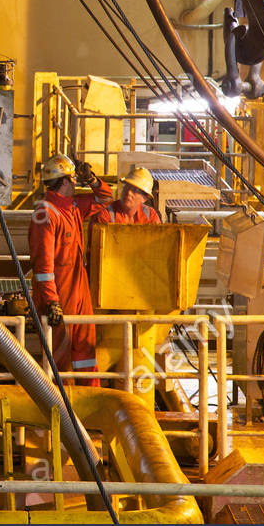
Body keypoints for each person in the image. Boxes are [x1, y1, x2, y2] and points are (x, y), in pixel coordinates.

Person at [27, 155, 111, 387]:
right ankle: (61, 415)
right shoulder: (46, 214)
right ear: (64, 181)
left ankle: (91, 405)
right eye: (74, 179)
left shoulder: (72, 207)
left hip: (79, 291)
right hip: (60, 296)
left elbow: (106, 198)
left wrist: (92, 180)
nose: (76, 183)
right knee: (59, 361)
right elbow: (42, 267)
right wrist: (52, 301)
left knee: (86, 352)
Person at [91, 166, 161, 225]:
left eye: (135, 190)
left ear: (144, 198)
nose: (129, 192)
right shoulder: (105, 214)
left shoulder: (150, 216)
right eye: (127, 187)